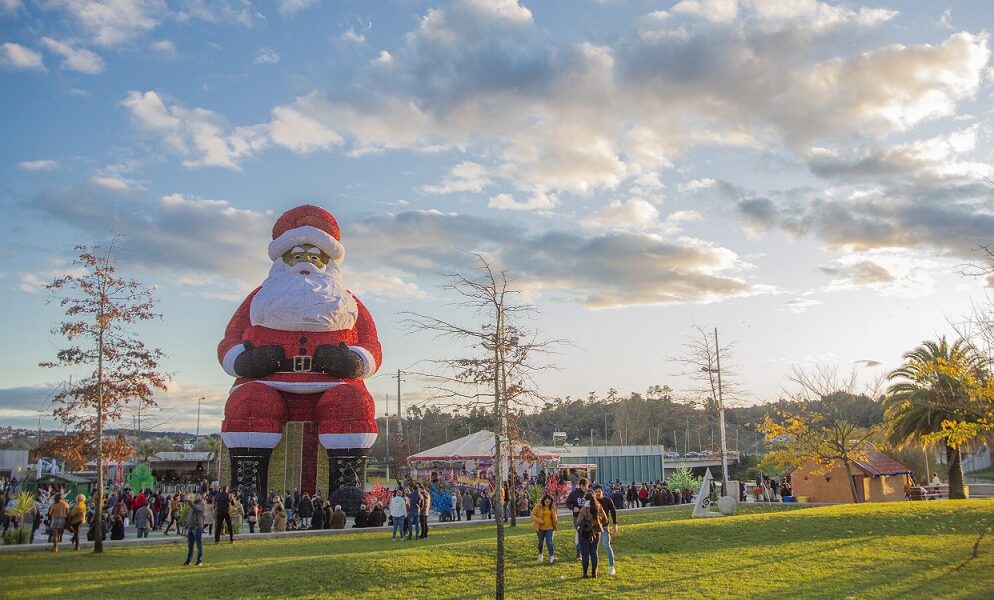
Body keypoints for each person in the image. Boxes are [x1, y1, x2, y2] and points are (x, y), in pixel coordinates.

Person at [575, 493, 608, 578]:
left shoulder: (583, 509)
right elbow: (605, 520)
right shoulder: (599, 507)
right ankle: (594, 573)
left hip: (584, 533)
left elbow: (578, 522)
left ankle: (585, 573)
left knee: (585, 553)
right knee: (594, 553)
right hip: (595, 532)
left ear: (585, 499)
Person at [593, 484, 619, 576]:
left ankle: (611, 566)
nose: (598, 493)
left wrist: (615, 524)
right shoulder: (592, 501)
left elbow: (613, 512)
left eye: (599, 491)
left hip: (604, 526)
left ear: (602, 491)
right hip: (595, 527)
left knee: (606, 545)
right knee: (594, 547)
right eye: (596, 492)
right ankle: (594, 567)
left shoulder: (607, 500)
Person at [565, 477, 589, 560]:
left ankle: (586, 552)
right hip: (577, 517)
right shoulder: (574, 494)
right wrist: (573, 508)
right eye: (583, 486)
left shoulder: (590, 493)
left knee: (587, 535)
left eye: (586, 486)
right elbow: (567, 503)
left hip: (588, 518)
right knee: (580, 534)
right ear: (580, 486)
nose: (584, 488)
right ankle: (579, 554)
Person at [531, 493, 558, 563]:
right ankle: (540, 554)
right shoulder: (538, 505)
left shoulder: (552, 506)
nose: (548, 503)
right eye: (546, 502)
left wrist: (555, 520)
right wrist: (539, 520)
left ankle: (552, 557)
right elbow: (532, 515)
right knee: (541, 542)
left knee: (549, 542)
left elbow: (555, 515)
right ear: (543, 500)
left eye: (549, 502)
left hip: (550, 528)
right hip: (540, 528)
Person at [184, 493, 206, 566]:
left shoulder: (202, 504)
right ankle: (189, 560)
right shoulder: (193, 503)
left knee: (198, 545)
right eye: (195, 495)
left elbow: (196, 508)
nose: (196, 496)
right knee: (190, 545)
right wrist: (187, 524)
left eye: (198, 495)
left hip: (197, 526)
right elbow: (190, 514)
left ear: (201, 496)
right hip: (191, 526)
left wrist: (189, 501)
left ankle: (200, 560)